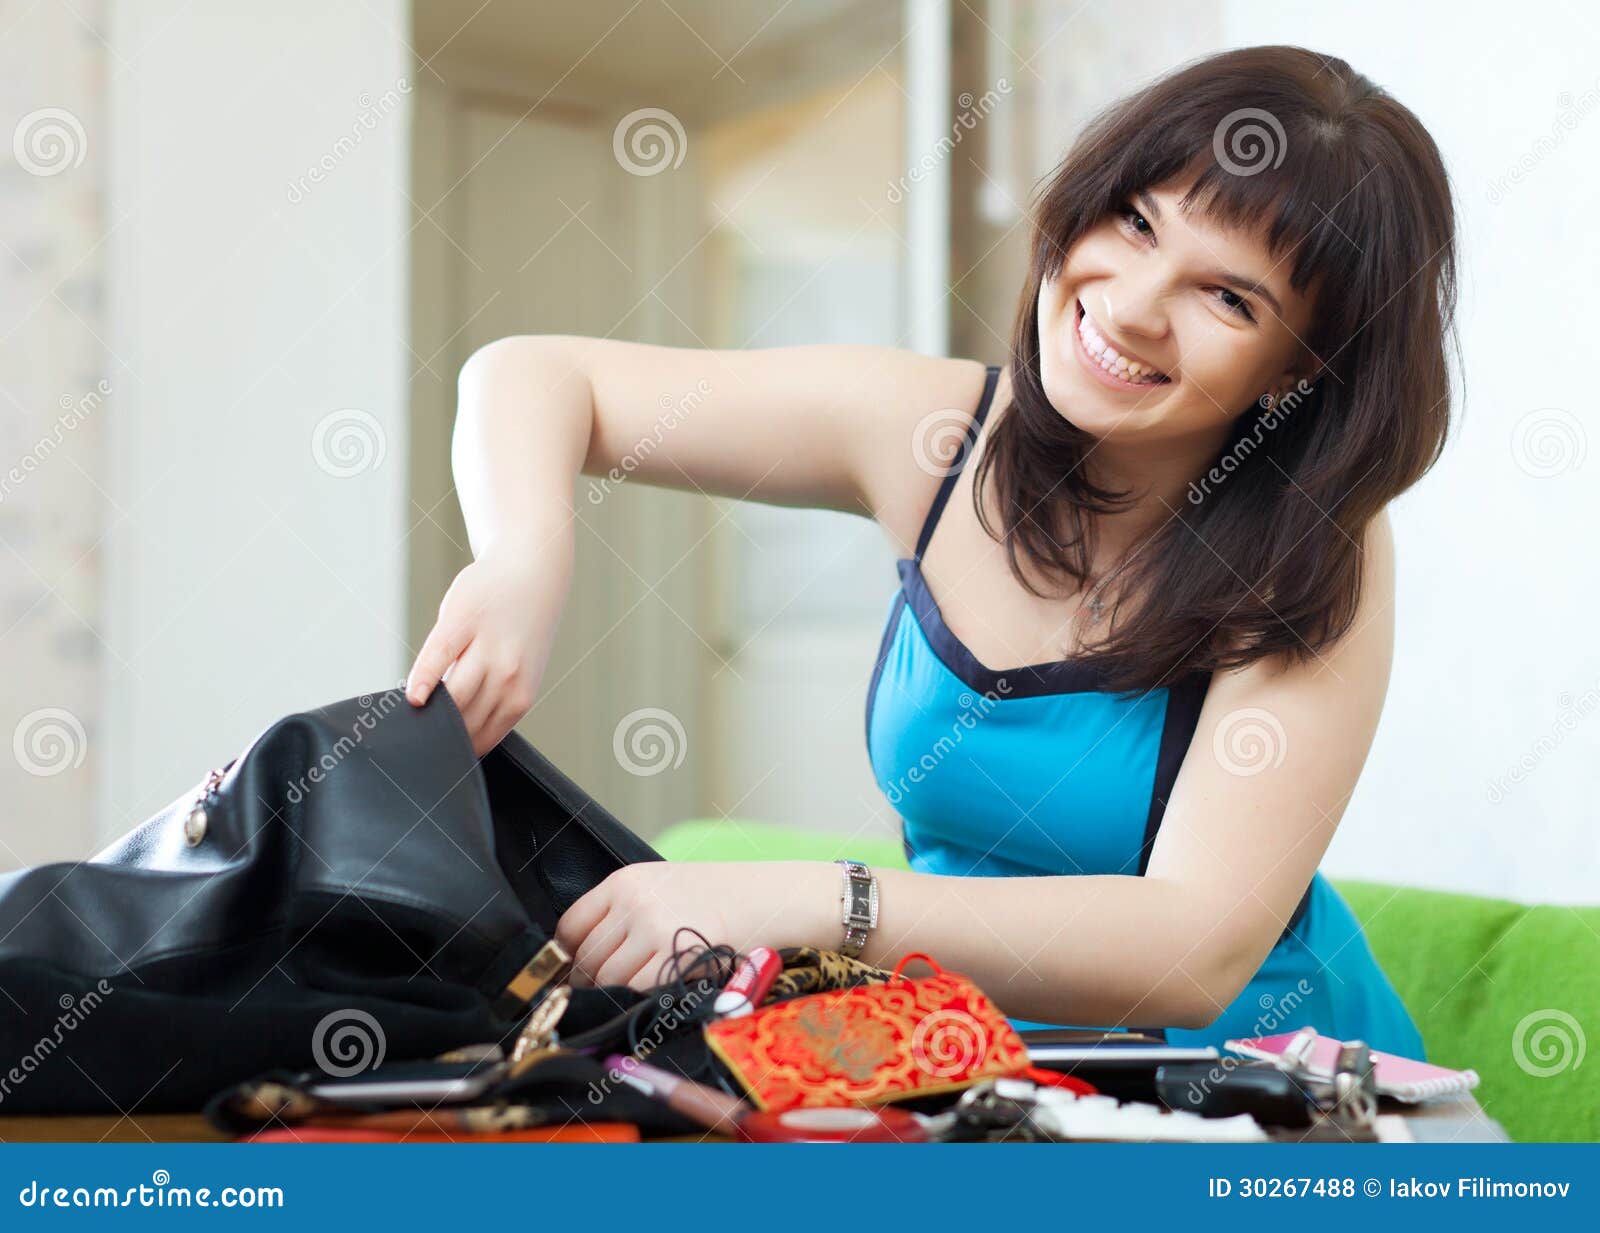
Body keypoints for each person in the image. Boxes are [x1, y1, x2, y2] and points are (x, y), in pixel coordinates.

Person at [405, 45, 1455, 1055]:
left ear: (1300, 370)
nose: (1132, 308)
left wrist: (822, 900)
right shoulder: (934, 436)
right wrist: (522, 557)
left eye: (1227, 297)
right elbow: (533, 375)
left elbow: (1194, 951)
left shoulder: (1318, 546)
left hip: (1267, 1098)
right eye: (1136, 222)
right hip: (982, 1077)